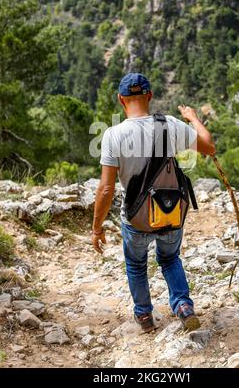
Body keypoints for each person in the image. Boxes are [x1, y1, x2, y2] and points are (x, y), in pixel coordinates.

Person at [92, 73, 216, 333]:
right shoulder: (169, 124)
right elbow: (209, 147)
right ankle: (183, 307)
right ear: (149, 95)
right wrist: (193, 118)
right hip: (169, 213)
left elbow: (105, 188)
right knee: (170, 259)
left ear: (120, 100)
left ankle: (145, 316)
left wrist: (96, 227)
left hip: (136, 219)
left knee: (136, 264)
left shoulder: (113, 135)